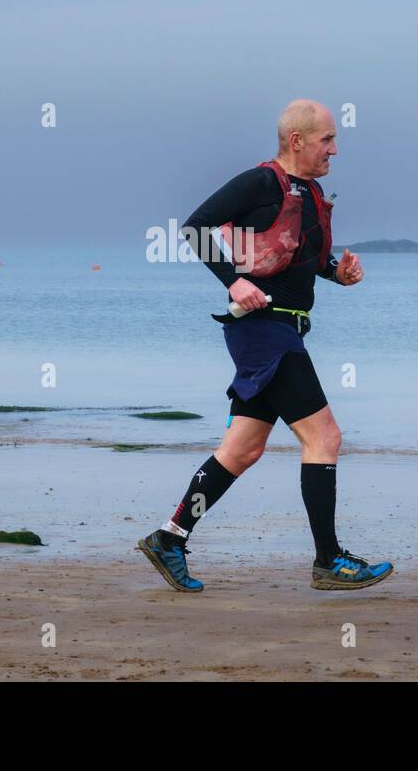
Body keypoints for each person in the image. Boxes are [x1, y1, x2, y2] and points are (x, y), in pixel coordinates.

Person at [136, 99, 394, 592]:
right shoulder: (260, 182)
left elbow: (301, 259)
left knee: (243, 449)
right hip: (262, 329)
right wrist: (233, 282)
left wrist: (337, 274)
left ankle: (169, 538)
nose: (334, 151)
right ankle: (328, 561)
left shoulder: (311, 193)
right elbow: (195, 226)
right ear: (297, 140)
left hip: (286, 328)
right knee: (325, 438)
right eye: (327, 140)